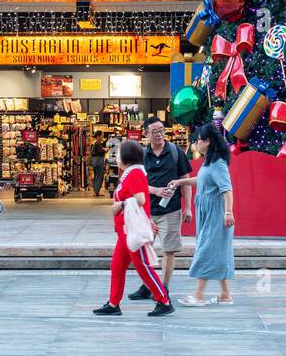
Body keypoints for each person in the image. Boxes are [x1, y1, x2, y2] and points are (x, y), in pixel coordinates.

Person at [93, 139, 173, 318]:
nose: (116, 156)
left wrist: (120, 204)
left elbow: (141, 199)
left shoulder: (135, 173)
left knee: (142, 266)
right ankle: (114, 303)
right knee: (117, 266)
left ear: (126, 156)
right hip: (125, 231)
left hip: (131, 231)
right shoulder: (129, 173)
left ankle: (164, 300)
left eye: (118, 153)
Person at [128, 116, 193, 302]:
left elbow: (186, 179)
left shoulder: (175, 152)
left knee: (169, 250)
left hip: (171, 210)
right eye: (154, 132)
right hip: (145, 211)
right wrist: (155, 190)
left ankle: (163, 288)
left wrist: (187, 207)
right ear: (146, 134)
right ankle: (147, 285)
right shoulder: (140, 156)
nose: (159, 135)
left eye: (162, 130)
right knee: (142, 249)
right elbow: (135, 184)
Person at [169, 123, 235, 307]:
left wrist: (228, 212)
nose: (195, 143)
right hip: (207, 212)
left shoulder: (219, 163)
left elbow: (227, 189)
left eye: (197, 140)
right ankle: (225, 295)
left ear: (207, 141)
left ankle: (198, 295)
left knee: (206, 250)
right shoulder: (209, 161)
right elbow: (202, 180)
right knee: (219, 252)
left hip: (217, 214)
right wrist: (180, 182)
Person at [89, 129, 107, 198]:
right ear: (98, 136)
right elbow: (100, 152)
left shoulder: (94, 143)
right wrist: (105, 150)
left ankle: (96, 191)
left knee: (96, 175)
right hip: (98, 160)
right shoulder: (98, 143)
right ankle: (96, 192)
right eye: (102, 136)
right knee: (100, 175)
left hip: (95, 161)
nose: (102, 137)